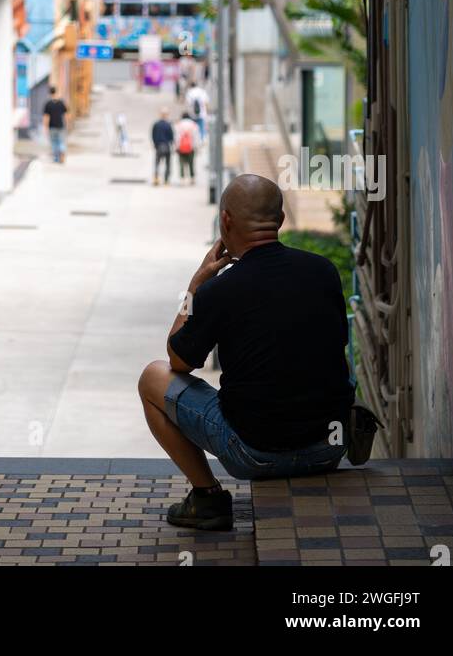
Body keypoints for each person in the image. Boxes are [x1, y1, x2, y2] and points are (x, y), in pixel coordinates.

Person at [137, 174, 354, 531]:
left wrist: (196, 284)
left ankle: (207, 498)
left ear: (225, 221)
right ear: (280, 220)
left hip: (254, 455)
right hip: (328, 449)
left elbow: (178, 360)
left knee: (152, 377)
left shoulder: (219, 291)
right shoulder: (323, 271)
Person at [43, 86, 68, 163]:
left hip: (52, 126)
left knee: (54, 142)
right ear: (56, 92)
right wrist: (66, 124)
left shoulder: (48, 104)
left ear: (50, 93)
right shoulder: (61, 103)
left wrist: (45, 127)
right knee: (61, 141)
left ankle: (56, 158)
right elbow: (66, 114)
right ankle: (62, 151)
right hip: (60, 125)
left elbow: (46, 117)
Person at [150, 108, 175, 186]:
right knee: (167, 164)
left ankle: (156, 178)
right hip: (166, 146)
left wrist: (155, 144)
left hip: (159, 146)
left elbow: (153, 135)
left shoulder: (156, 124)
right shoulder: (168, 125)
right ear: (167, 115)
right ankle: (166, 180)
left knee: (157, 163)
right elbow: (171, 137)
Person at [174, 112, 200, 183]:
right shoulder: (194, 125)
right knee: (191, 163)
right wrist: (196, 146)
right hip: (191, 147)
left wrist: (176, 146)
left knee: (181, 163)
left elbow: (177, 137)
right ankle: (192, 178)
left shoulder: (178, 125)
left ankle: (182, 179)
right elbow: (196, 137)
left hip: (181, 147)